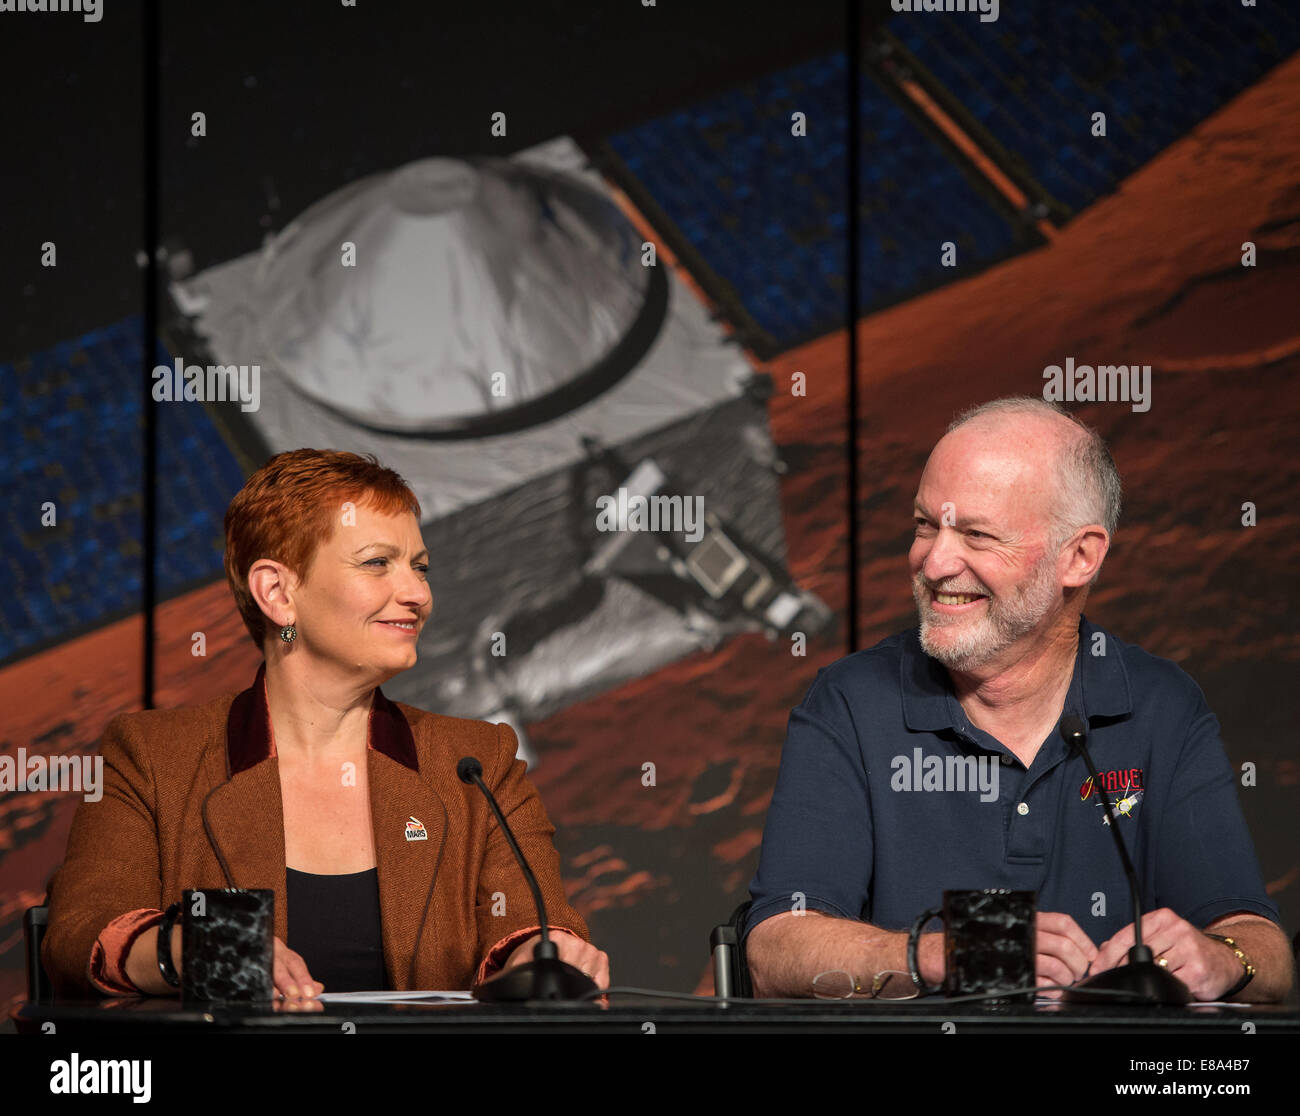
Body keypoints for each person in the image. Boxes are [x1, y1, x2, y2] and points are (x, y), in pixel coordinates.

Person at [744, 397, 1292, 1001]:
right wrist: (955, 952)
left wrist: (1223, 960)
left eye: (977, 534)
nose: (934, 561)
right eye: (926, 525)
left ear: (1079, 557)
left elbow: (1262, 947)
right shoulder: (850, 701)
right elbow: (776, 951)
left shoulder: (1162, 704)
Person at [42, 448, 608, 1004]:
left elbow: (534, 926)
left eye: (419, 567)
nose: (417, 594)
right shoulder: (152, 756)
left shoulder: (478, 761)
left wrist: (544, 954)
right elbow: (81, 933)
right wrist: (193, 950)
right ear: (278, 593)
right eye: (377, 563)